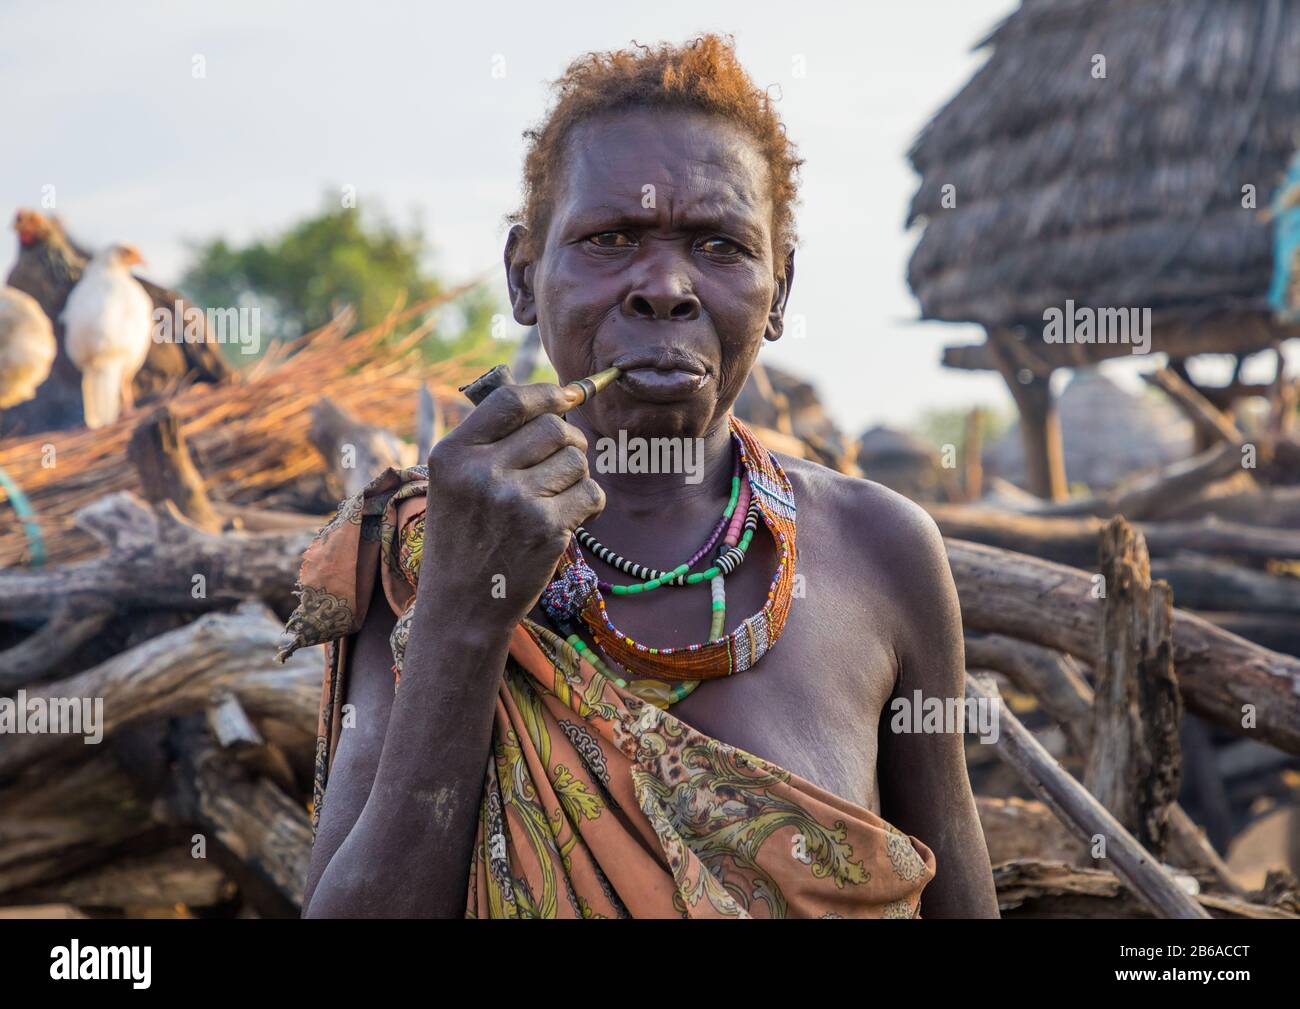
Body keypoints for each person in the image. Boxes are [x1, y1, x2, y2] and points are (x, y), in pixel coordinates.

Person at [279, 33, 999, 918]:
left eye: (720, 245)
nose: (664, 285)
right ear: (522, 275)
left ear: (780, 290)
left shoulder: (883, 552)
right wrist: (465, 609)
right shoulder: (424, 554)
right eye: (611, 238)